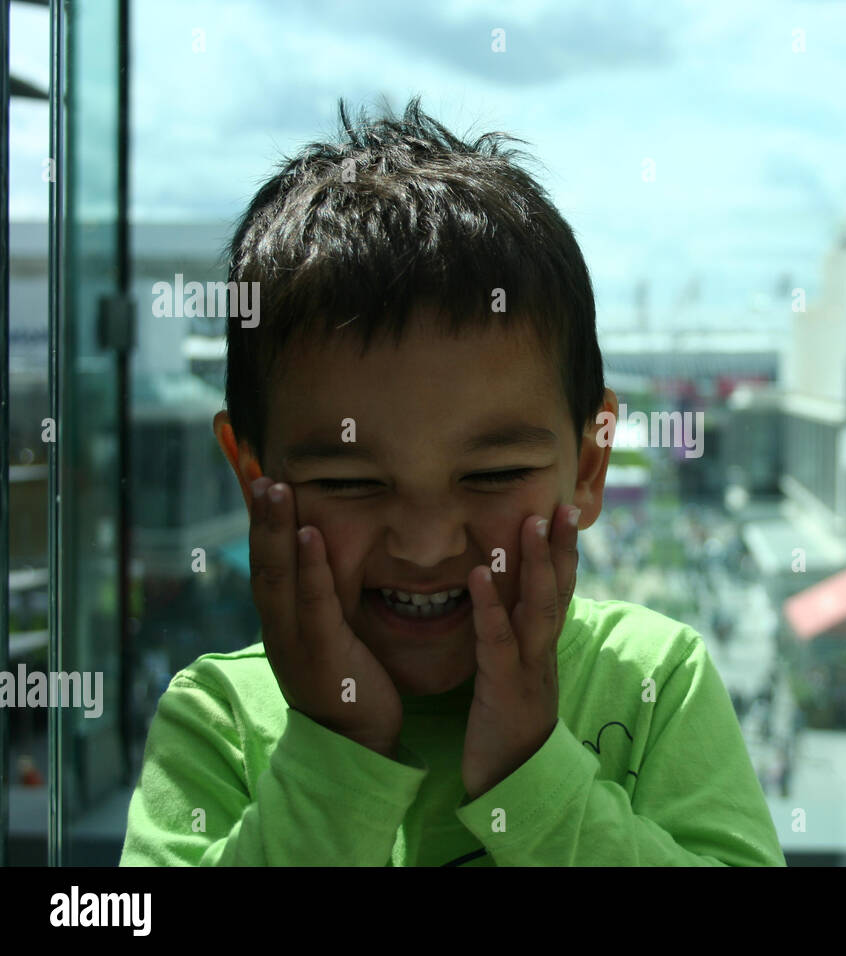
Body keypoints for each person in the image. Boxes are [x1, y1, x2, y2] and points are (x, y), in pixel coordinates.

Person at [119, 97, 785, 867]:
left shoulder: (653, 684)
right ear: (253, 478)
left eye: (494, 473)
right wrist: (337, 753)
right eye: (350, 481)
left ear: (592, 464)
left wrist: (532, 771)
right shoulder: (218, 721)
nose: (428, 541)